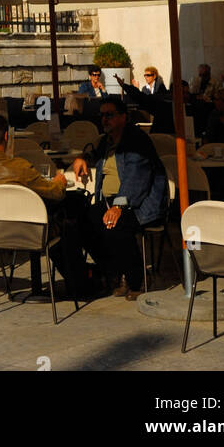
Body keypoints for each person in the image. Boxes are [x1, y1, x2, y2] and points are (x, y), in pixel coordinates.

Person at [71, 96, 168, 301]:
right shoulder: (107, 141)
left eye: (110, 115)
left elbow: (137, 177)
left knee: (115, 225)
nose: (104, 120)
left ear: (124, 117)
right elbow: (93, 152)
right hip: (110, 202)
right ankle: (115, 272)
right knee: (81, 224)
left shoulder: (136, 140)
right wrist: (82, 158)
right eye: (102, 115)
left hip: (140, 205)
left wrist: (119, 206)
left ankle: (137, 279)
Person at [0, 114, 71, 298]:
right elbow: (55, 193)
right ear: (7, 137)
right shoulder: (20, 167)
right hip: (30, 234)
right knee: (68, 222)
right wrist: (60, 180)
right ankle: (80, 281)